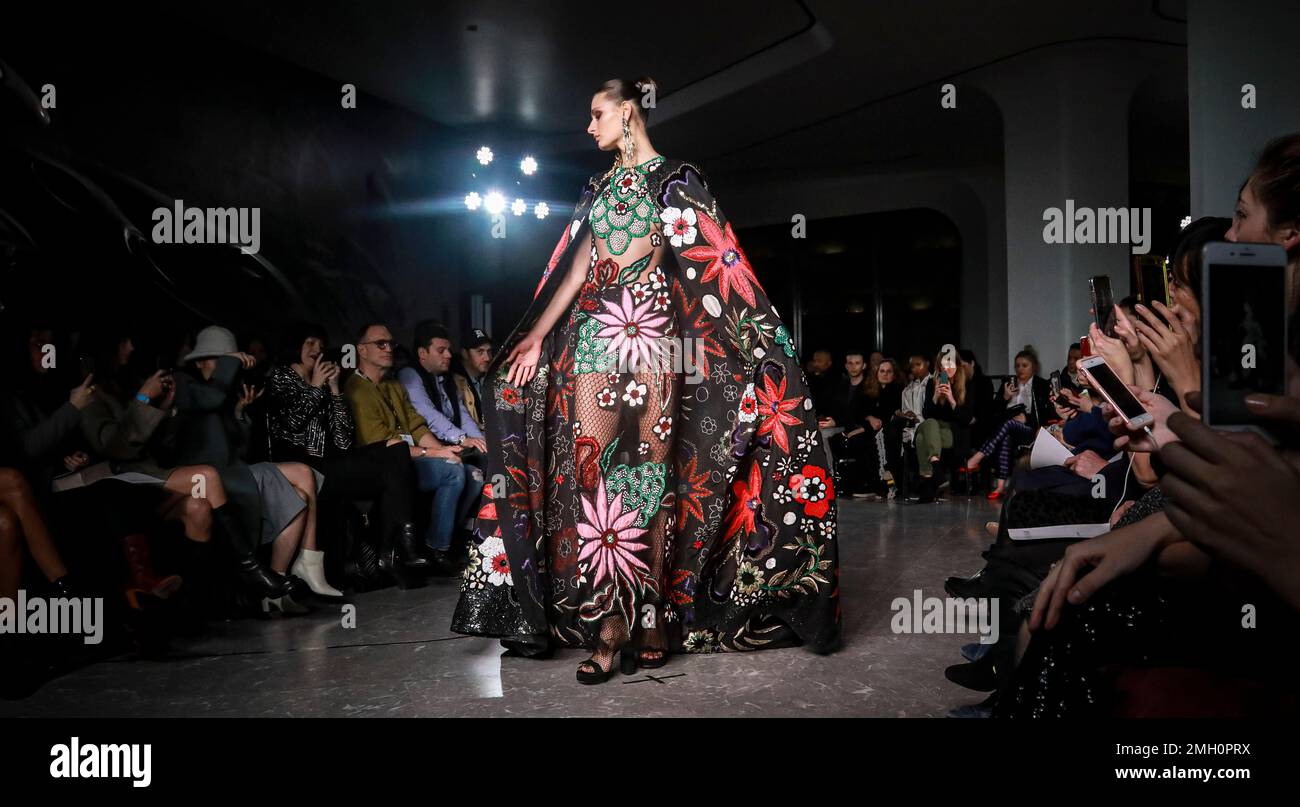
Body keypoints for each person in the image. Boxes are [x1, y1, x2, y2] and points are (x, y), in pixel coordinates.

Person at [451, 75, 840, 683]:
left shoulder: (676, 180)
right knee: (593, 477)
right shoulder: (598, 187)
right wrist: (532, 335)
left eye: (597, 113)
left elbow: (719, 266)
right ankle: (606, 636)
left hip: (656, 344)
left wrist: (764, 356)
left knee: (648, 482)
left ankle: (650, 620)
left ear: (628, 111)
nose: (589, 126)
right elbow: (577, 267)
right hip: (594, 344)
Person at [264, 322, 420, 597]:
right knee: (389, 465)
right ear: (295, 346)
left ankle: (394, 543)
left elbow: (343, 439)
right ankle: (394, 546)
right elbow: (293, 424)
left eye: (320, 346)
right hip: (299, 464)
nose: (317, 350)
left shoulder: (323, 381)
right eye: (310, 343)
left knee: (396, 450)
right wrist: (314, 388)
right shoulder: (281, 377)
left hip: (333, 461)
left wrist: (335, 389)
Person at [168, 326, 318, 611]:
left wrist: (239, 412)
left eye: (230, 360)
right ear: (200, 362)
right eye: (219, 360)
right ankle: (267, 580)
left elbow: (238, 450)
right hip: (202, 478)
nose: (227, 366)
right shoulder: (184, 385)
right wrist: (231, 364)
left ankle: (276, 585)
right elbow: (205, 409)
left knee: (298, 497)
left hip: (233, 473)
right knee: (295, 480)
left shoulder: (221, 393)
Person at [344, 322, 465, 574]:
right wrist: (436, 454)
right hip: (383, 465)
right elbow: (383, 447)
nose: (388, 348)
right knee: (452, 472)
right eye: (380, 344)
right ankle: (436, 549)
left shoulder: (392, 384)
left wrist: (445, 451)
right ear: (362, 350)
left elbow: (417, 425)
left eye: (391, 344)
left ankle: (442, 546)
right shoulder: (355, 389)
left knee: (462, 468)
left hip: (409, 458)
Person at [913, 344, 972, 502]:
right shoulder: (932, 383)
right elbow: (926, 414)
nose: (947, 368)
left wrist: (952, 400)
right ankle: (936, 467)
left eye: (950, 364)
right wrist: (935, 397)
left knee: (921, 438)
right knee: (930, 424)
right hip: (934, 429)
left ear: (957, 365)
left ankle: (928, 484)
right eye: (943, 365)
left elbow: (966, 419)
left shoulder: (966, 385)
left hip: (952, 432)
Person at [454, 328, 492, 433]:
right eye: (480, 352)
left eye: (489, 351)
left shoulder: (489, 379)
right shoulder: (456, 384)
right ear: (465, 354)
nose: (487, 358)